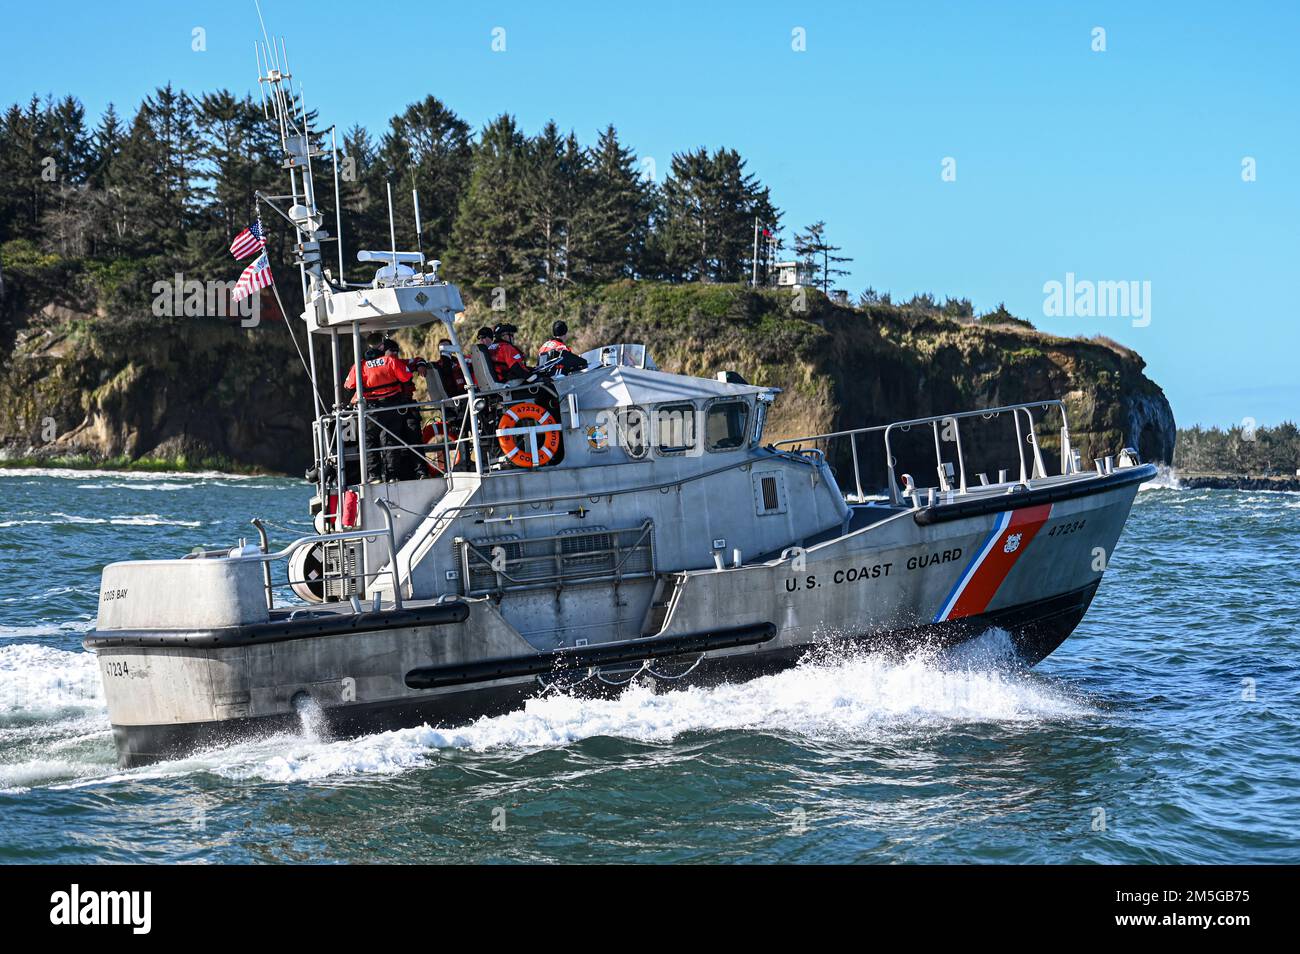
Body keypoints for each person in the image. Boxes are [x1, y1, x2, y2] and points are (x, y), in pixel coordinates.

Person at [343, 332, 414, 481]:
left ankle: (374, 475)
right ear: (382, 345)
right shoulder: (390, 361)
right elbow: (406, 377)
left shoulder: (360, 365)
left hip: (372, 409)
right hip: (392, 407)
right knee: (390, 440)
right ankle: (392, 475)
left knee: (369, 440)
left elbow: (349, 385)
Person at [383, 338, 430, 479]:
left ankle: (421, 472)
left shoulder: (403, 363)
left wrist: (421, 365)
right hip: (389, 410)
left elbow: (417, 360)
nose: (395, 354)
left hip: (408, 407)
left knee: (415, 438)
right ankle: (392, 475)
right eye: (392, 351)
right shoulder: (380, 368)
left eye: (397, 351)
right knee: (391, 442)